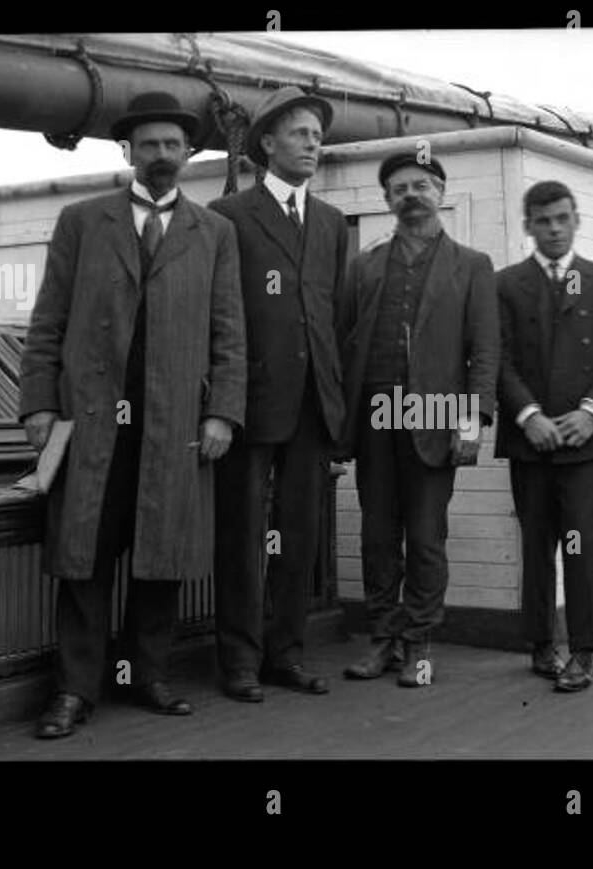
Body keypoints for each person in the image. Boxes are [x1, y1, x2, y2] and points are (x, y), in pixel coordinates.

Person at [20, 91, 247, 738]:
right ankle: (74, 691)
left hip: (173, 424)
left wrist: (222, 414)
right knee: (85, 557)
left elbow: (230, 332)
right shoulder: (84, 221)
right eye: (148, 145)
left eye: (173, 145)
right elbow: (49, 319)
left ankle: (149, 675)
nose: (161, 156)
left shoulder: (216, 233)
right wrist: (38, 402)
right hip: (92, 423)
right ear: (128, 151)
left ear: (188, 152)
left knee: (162, 553)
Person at [207, 86, 348, 702]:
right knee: (241, 535)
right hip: (250, 402)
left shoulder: (331, 223)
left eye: (318, 136)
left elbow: (333, 315)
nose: (313, 144)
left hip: (312, 404)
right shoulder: (230, 216)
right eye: (300, 134)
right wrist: (221, 400)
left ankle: (285, 653)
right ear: (266, 144)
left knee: (299, 535)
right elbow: (219, 314)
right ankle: (239, 659)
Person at [339, 152, 500, 687]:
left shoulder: (472, 265)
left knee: (426, 536)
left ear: (440, 193)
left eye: (421, 186)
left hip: (434, 414)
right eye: (400, 189)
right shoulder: (363, 265)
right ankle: (383, 640)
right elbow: (344, 343)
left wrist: (471, 423)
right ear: (387, 201)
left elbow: (485, 350)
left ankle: (420, 645)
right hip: (375, 412)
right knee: (378, 534)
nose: (411, 195)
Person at [494, 180, 593, 692]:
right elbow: (498, 360)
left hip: (586, 444)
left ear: (576, 219)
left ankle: (583, 651)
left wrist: (592, 412)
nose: (553, 229)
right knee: (536, 544)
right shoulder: (505, 283)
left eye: (561, 218)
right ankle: (540, 644)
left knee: (582, 544)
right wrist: (528, 414)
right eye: (542, 220)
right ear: (527, 224)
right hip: (530, 441)